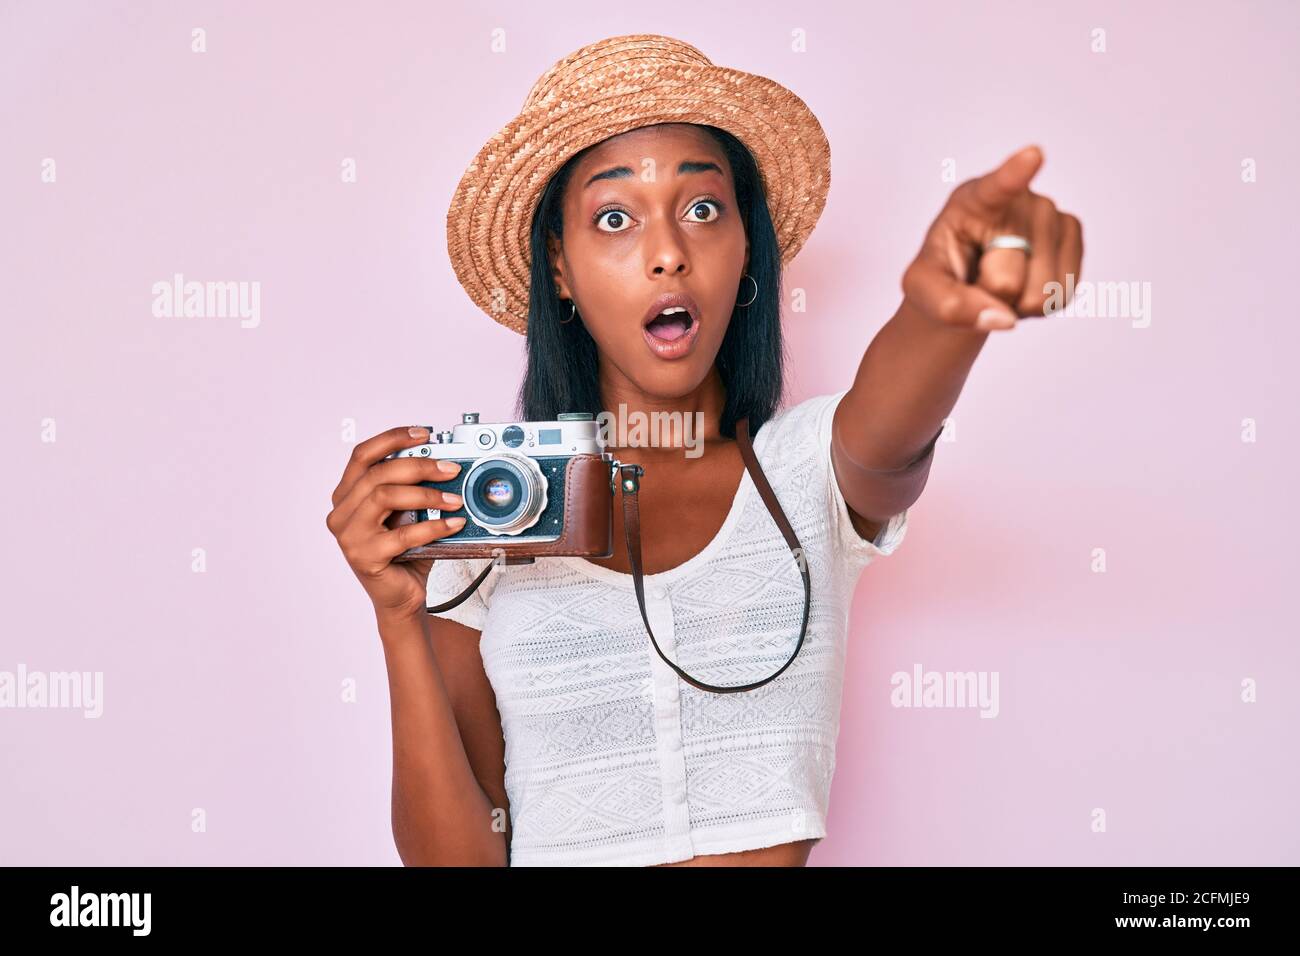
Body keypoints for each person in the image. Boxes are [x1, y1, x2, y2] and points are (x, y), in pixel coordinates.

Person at [325, 34, 1083, 867]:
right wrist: (396, 615)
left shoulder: (807, 475)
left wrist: (942, 310)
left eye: (702, 209)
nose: (667, 252)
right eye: (614, 218)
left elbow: (894, 436)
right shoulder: (493, 520)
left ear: (747, 245)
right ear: (561, 268)